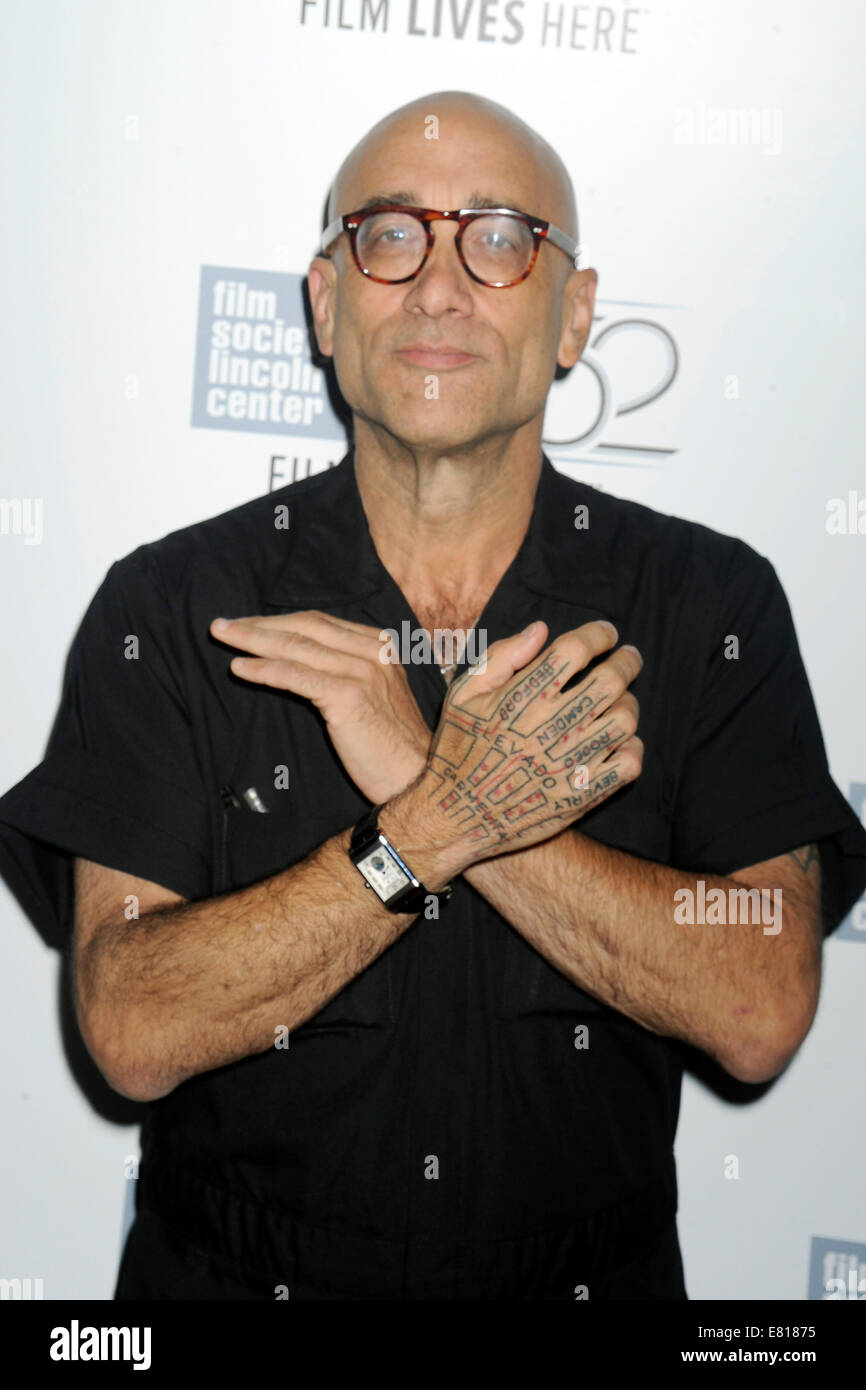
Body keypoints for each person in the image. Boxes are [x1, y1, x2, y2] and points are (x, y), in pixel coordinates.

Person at [1, 89, 864, 1302]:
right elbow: (132, 1024)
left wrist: (421, 780)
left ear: (574, 316)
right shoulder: (173, 607)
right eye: (390, 236)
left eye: (501, 239)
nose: (439, 287)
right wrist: (430, 826)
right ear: (324, 303)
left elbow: (760, 1000)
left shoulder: (707, 606)